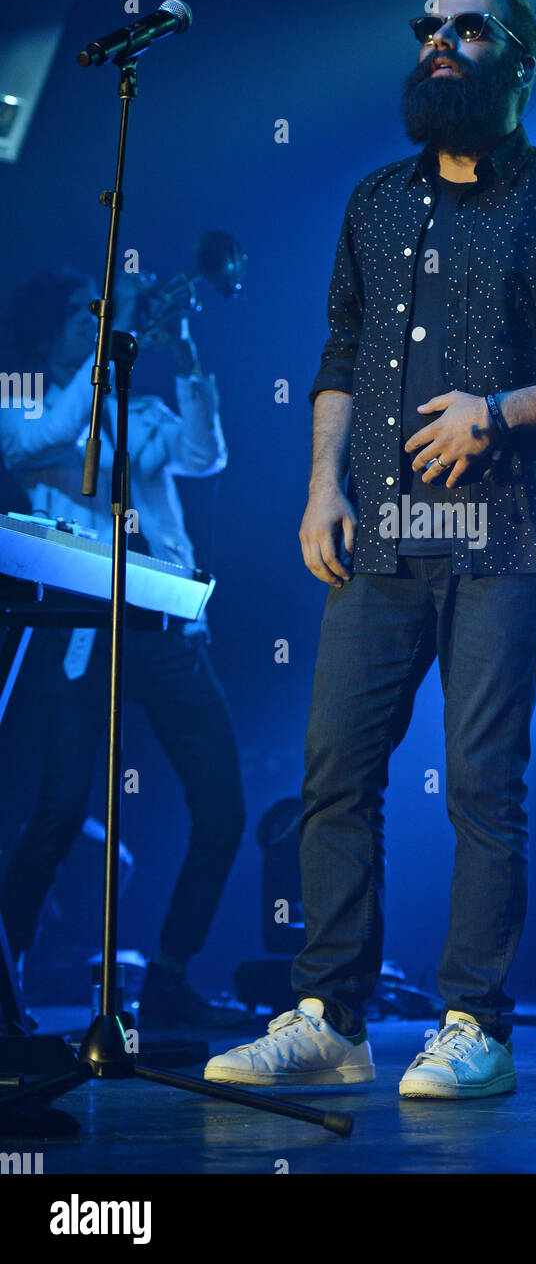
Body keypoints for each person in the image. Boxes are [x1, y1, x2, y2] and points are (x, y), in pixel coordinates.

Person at [205, 0, 536, 1096]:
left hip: (509, 534)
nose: (440, 42)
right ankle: (330, 1019)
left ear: (519, 60)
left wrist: (499, 413)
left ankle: (475, 1024)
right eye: (428, 27)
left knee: (478, 780)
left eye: (469, 27)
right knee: (335, 771)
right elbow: (338, 357)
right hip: (381, 541)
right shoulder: (374, 201)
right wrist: (323, 488)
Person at [0, 269, 247, 1030]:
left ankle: (169, 975)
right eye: (83, 315)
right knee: (59, 811)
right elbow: (34, 441)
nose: (95, 324)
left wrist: (186, 358)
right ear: (50, 329)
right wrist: (105, 354)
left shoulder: (132, 400)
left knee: (222, 809)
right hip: (80, 637)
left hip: (168, 630)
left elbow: (205, 457)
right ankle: (3, 988)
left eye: (99, 316)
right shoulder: (21, 396)